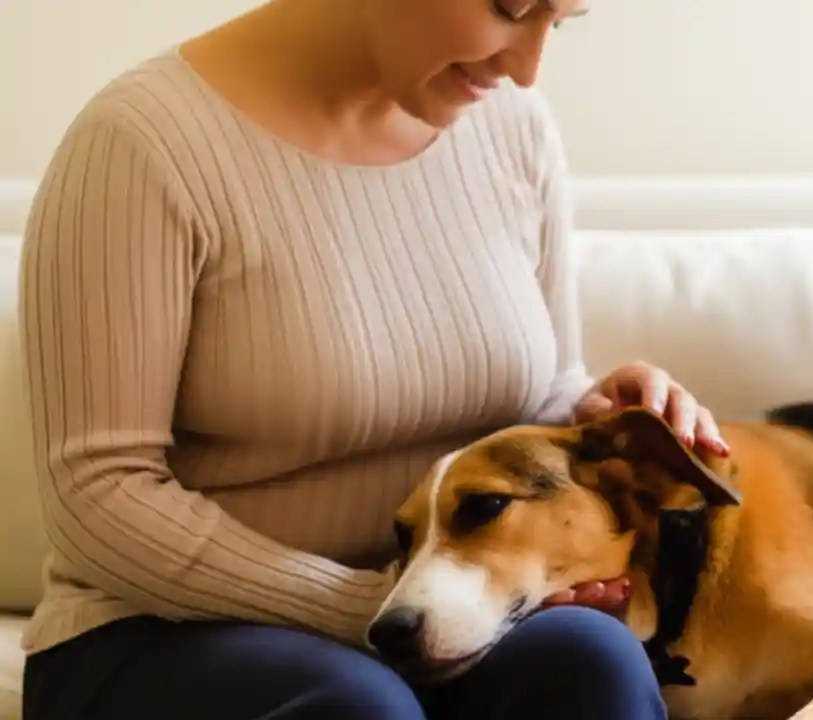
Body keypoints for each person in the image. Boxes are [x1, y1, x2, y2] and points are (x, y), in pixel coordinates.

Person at [17, 0, 731, 718]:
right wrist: (376, 606)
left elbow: (535, 398)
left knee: (590, 660)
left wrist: (593, 413)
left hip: (437, 620)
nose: (527, 65)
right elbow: (98, 494)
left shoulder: (512, 125)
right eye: (511, 8)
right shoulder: (143, 143)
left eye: (562, 18)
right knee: (359, 706)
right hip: (163, 633)